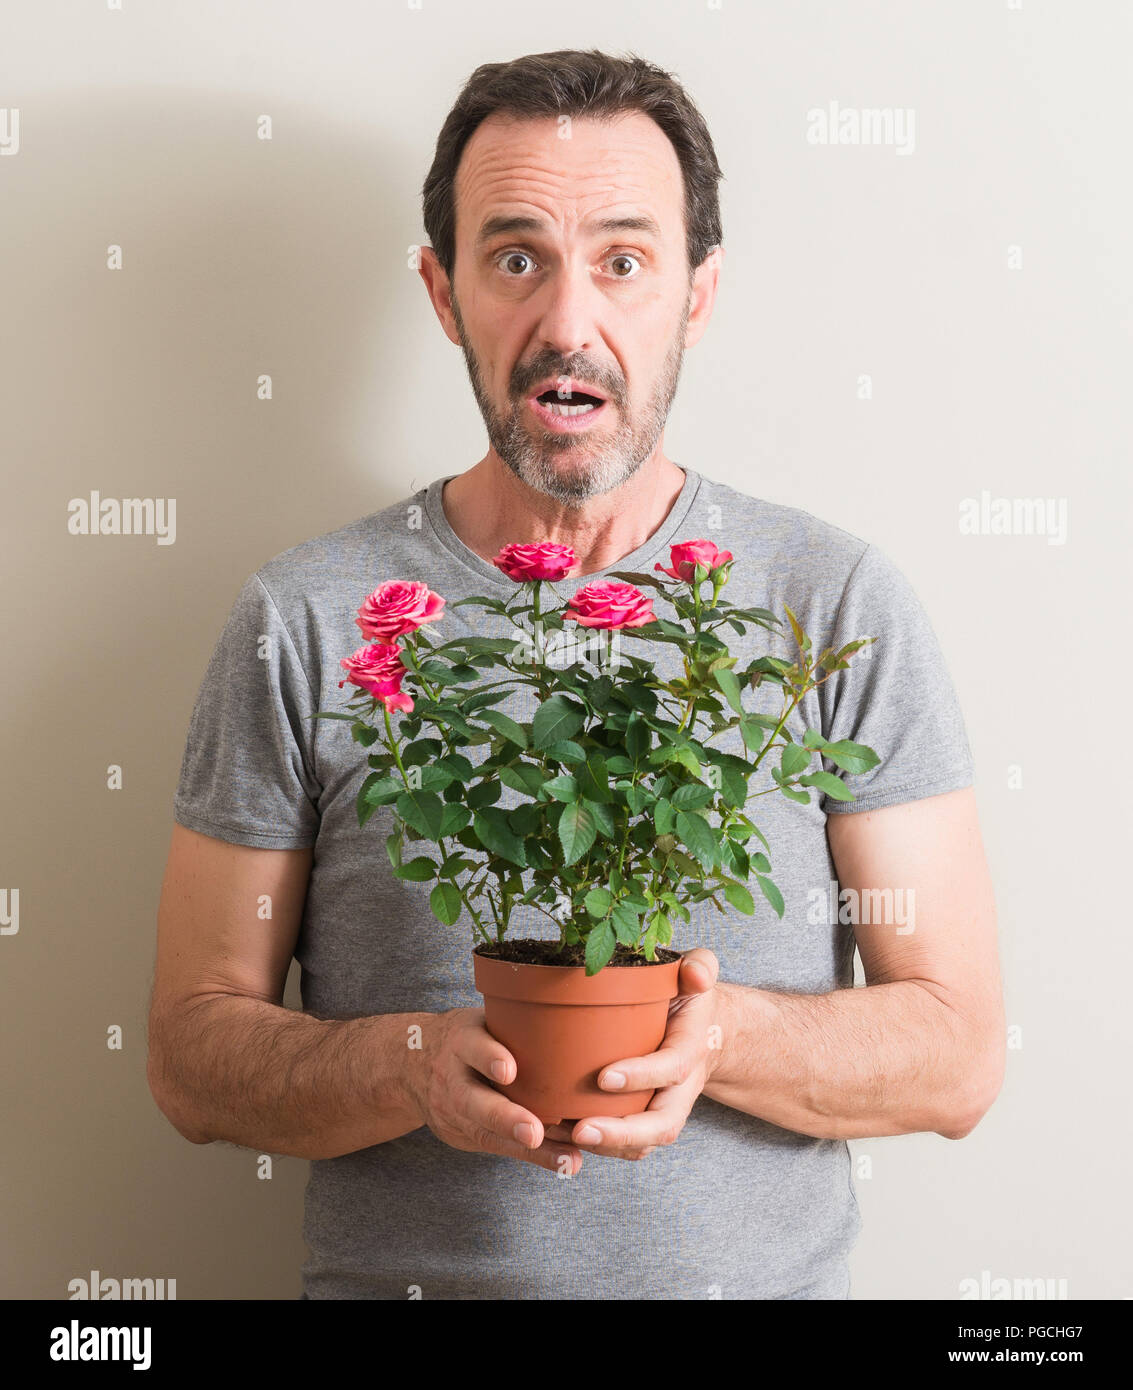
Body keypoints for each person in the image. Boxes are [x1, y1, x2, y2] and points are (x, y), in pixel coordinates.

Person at [147, 49, 1004, 1300]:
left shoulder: (832, 600)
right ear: (441, 292)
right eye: (513, 259)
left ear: (694, 293)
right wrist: (405, 1065)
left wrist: (715, 1037)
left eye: (621, 259)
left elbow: (958, 1052)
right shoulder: (305, 615)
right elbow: (187, 1056)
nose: (567, 322)